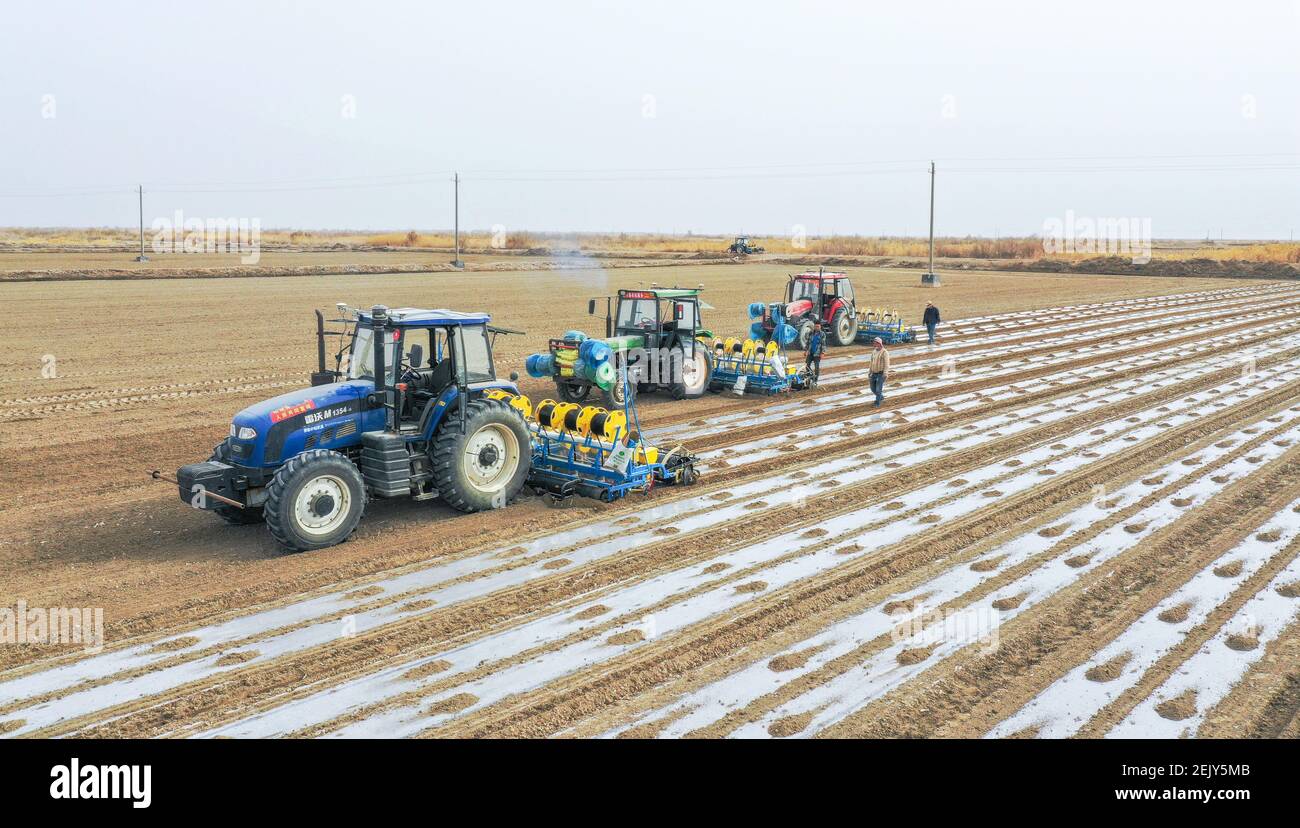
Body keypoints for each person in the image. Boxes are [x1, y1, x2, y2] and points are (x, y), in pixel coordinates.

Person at [869, 336, 890, 407]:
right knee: (872, 388)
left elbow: (887, 364)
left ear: (879, 343)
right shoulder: (874, 351)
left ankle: (877, 403)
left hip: (881, 374)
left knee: (878, 389)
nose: (874, 344)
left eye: (875, 343)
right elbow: (871, 362)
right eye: (873, 343)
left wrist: (885, 373)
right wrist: (870, 372)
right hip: (874, 373)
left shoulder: (884, 352)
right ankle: (880, 396)